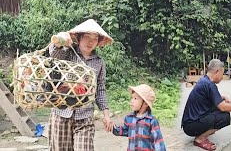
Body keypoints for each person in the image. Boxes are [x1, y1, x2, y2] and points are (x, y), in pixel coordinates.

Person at [48, 19, 114, 150]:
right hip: (61, 114)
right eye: (86, 37)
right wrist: (61, 40)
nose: (90, 42)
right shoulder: (67, 53)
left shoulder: (99, 62)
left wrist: (106, 114)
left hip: (85, 117)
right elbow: (54, 53)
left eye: (94, 39)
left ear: (98, 42)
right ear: (78, 38)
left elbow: (100, 89)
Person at [181, 59, 231, 151]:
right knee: (225, 117)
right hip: (191, 126)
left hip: (189, 123)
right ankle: (200, 139)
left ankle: (203, 131)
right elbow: (223, 107)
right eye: (222, 74)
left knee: (218, 109)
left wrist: (223, 97)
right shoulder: (209, 84)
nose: (222, 77)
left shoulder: (204, 80)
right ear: (217, 71)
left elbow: (211, 97)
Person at [111, 84, 166, 151]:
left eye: (135, 98)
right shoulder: (129, 118)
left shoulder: (151, 121)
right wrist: (112, 127)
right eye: (132, 97)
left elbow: (158, 142)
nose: (131, 100)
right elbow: (125, 131)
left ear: (145, 103)